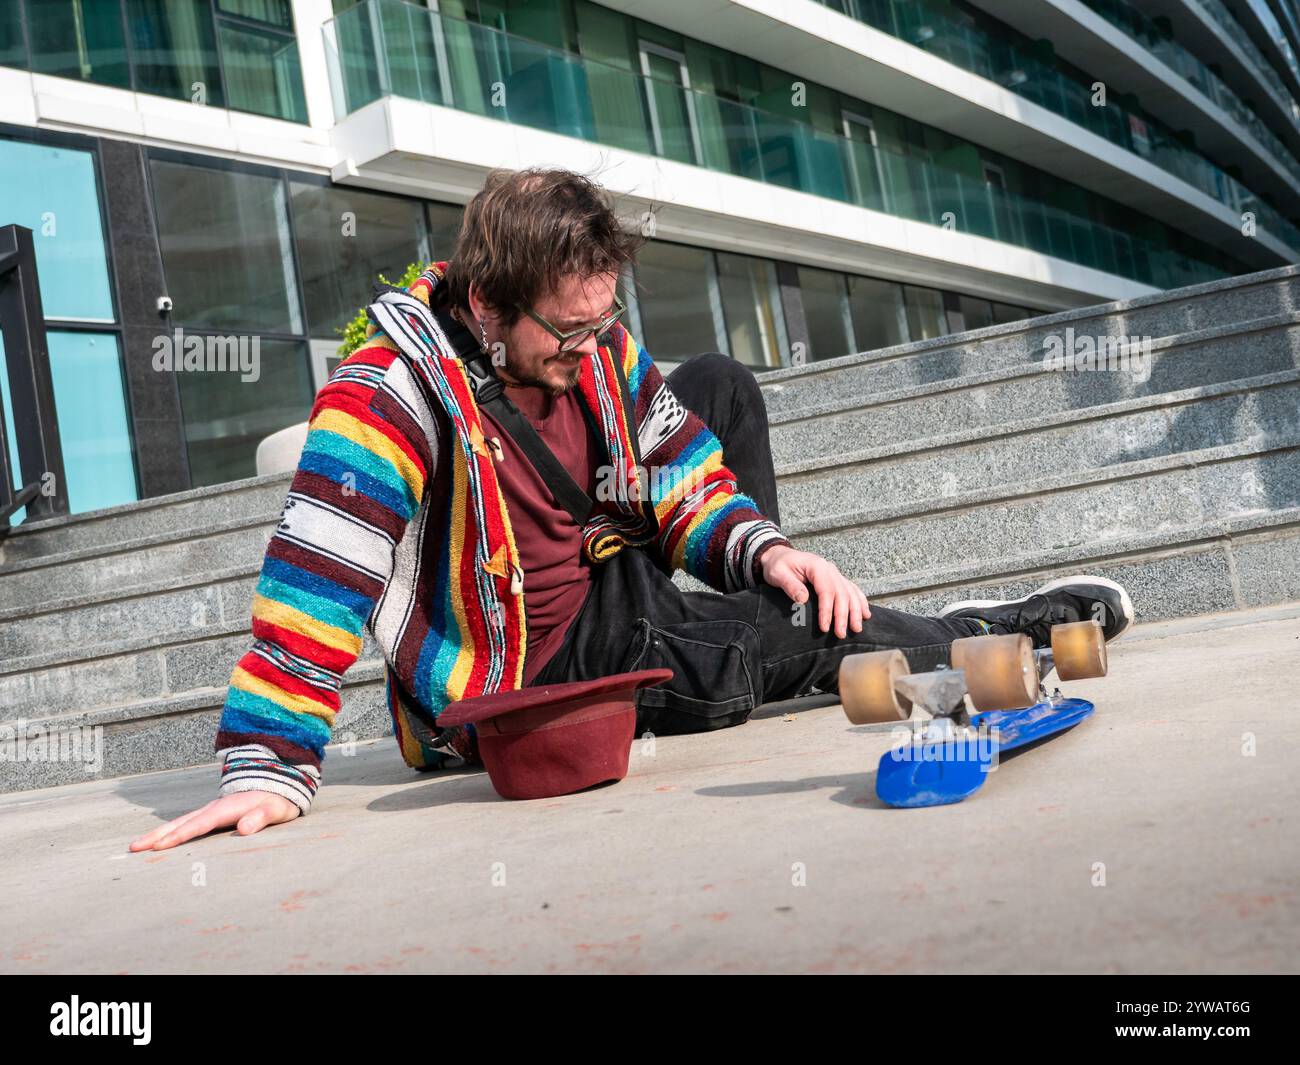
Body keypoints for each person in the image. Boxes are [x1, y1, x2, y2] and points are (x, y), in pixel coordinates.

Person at [131, 167, 1132, 852]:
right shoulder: (389, 394)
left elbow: (682, 464)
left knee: (717, 386)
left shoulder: (598, 342)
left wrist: (763, 549)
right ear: (486, 305)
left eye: (600, 322)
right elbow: (316, 582)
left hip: (609, 564)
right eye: (565, 335)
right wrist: (266, 765)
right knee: (742, 633)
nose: (588, 352)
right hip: (529, 669)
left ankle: (758, 624)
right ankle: (959, 635)